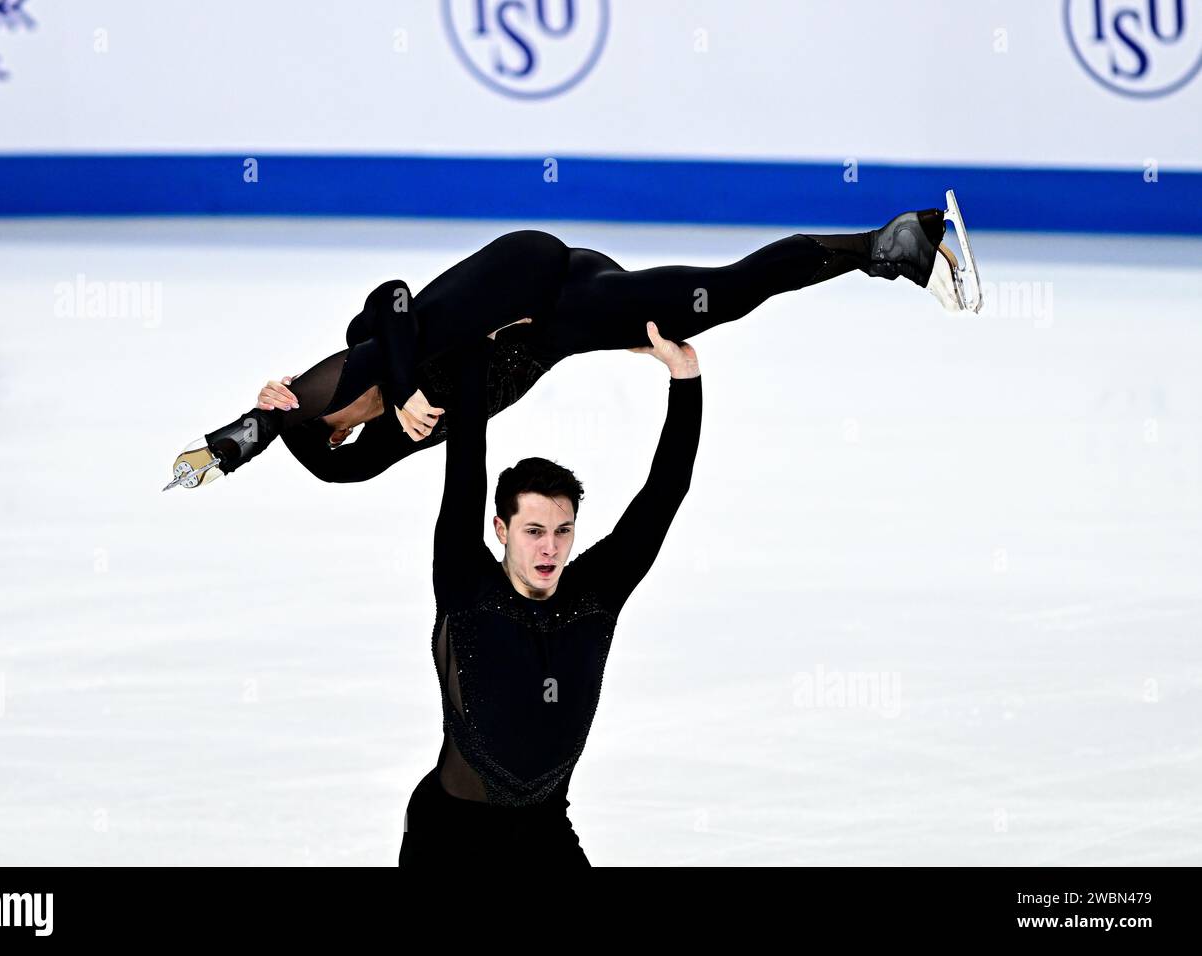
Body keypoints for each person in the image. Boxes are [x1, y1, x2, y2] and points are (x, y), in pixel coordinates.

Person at [164, 202, 966, 491]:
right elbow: (294, 442)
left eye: (297, 395)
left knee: (710, 297)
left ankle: (888, 247)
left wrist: (213, 450)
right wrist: (242, 445)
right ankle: (889, 246)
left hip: (531, 269)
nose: (304, 395)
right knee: (716, 300)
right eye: (305, 409)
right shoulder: (380, 444)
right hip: (567, 320)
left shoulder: (370, 355)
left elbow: (396, 296)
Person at [398, 320, 701, 866]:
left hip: (543, 833)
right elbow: (465, 456)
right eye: (534, 531)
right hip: (449, 836)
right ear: (501, 530)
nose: (549, 549)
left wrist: (685, 377)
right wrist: (477, 353)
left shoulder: (596, 593)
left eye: (563, 532)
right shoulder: (466, 583)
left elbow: (664, 494)